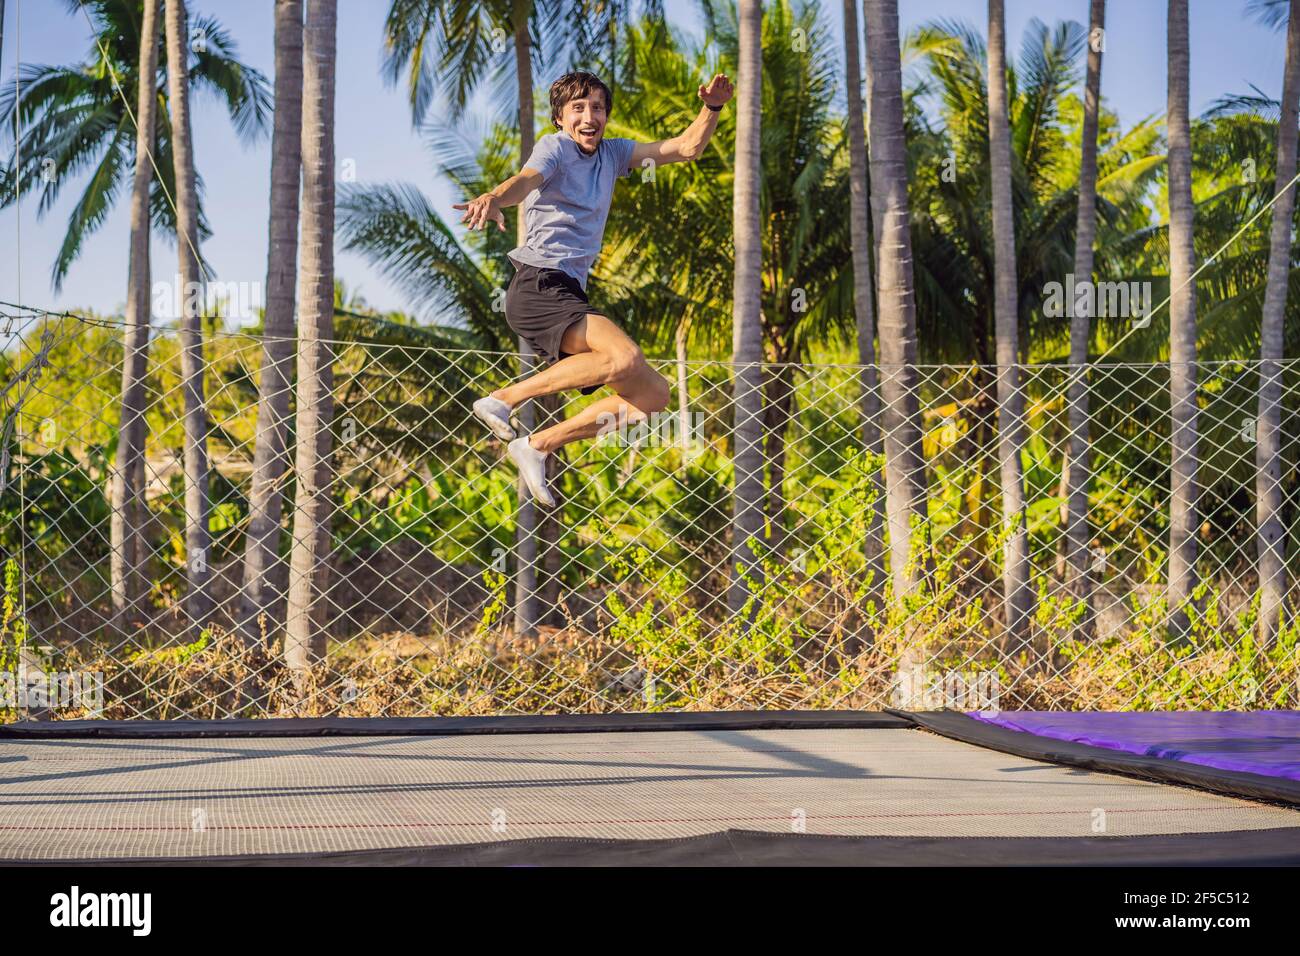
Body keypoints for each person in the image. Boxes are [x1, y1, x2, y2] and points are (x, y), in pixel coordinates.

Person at [456, 69, 733, 507]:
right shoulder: (555, 149)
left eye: (598, 108)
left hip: (568, 291)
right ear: (561, 119)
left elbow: (687, 147)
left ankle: (538, 444)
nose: (590, 117)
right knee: (623, 356)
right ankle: (500, 400)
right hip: (538, 283)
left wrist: (712, 107)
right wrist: (493, 196)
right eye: (578, 108)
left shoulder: (615, 154)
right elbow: (525, 181)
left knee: (651, 397)